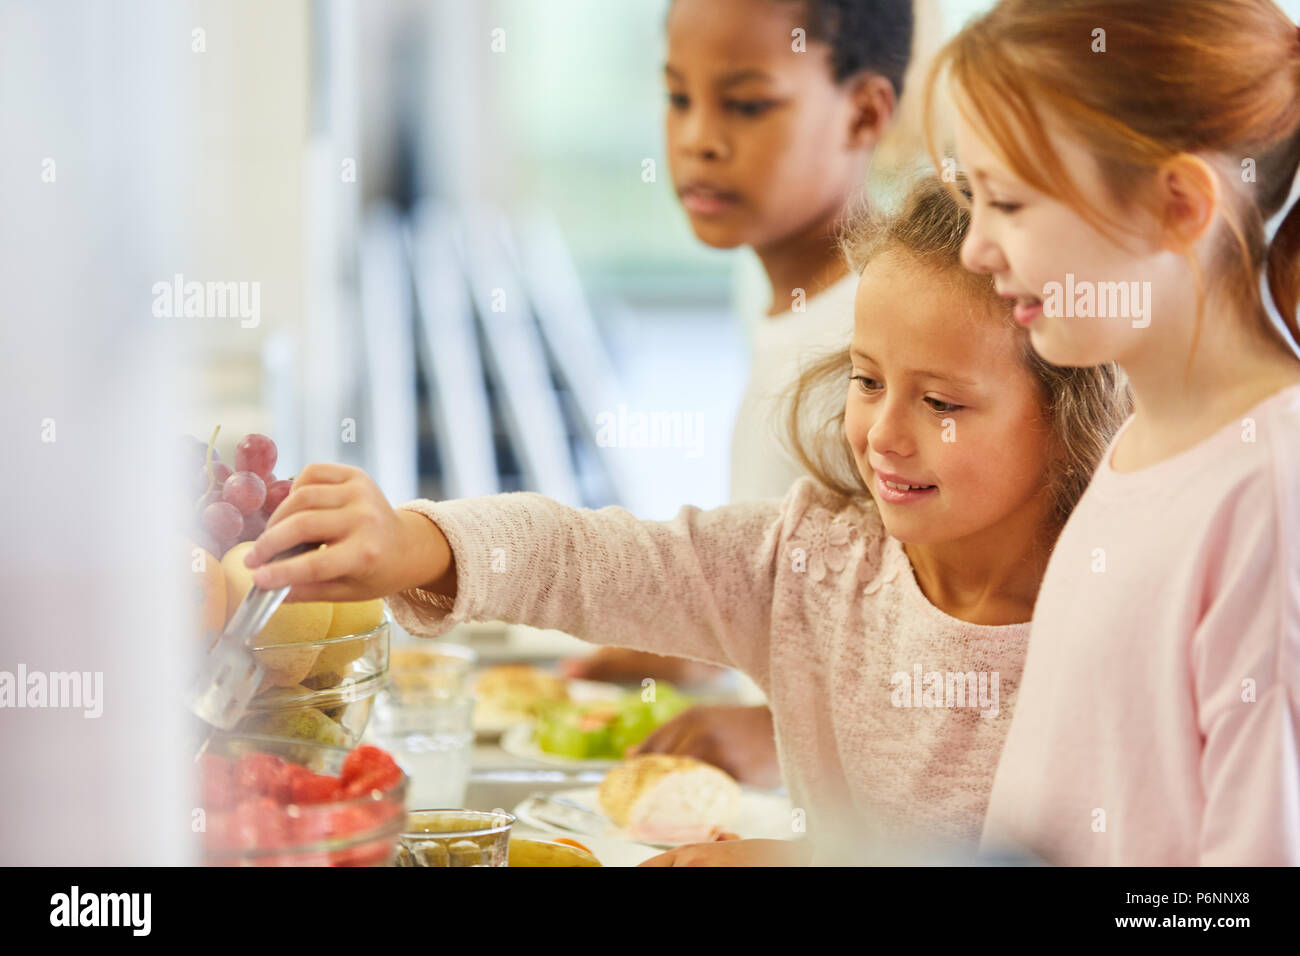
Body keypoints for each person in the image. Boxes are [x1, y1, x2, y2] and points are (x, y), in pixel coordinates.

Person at [244, 175, 1128, 865]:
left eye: (939, 401)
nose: (884, 434)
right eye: (865, 380)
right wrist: (412, 542)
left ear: (1068, 415)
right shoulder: (815, 559)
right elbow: (594, 557)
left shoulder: (1116, 618)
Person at [926, 0, 1300, 865]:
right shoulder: (1143, 441)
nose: (977, 249)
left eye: (1009, 203)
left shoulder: (1268, 492)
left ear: (1177, 203)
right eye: (971, 199)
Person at [568, 0, 917, 786]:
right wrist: (700, 632)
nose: (698, 140)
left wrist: (779, 730)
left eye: (748, 104)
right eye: (677, 97)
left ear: (863, 114)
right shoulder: (768, 291)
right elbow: (815, 586)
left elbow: (960, 636)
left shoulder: (886, 343)